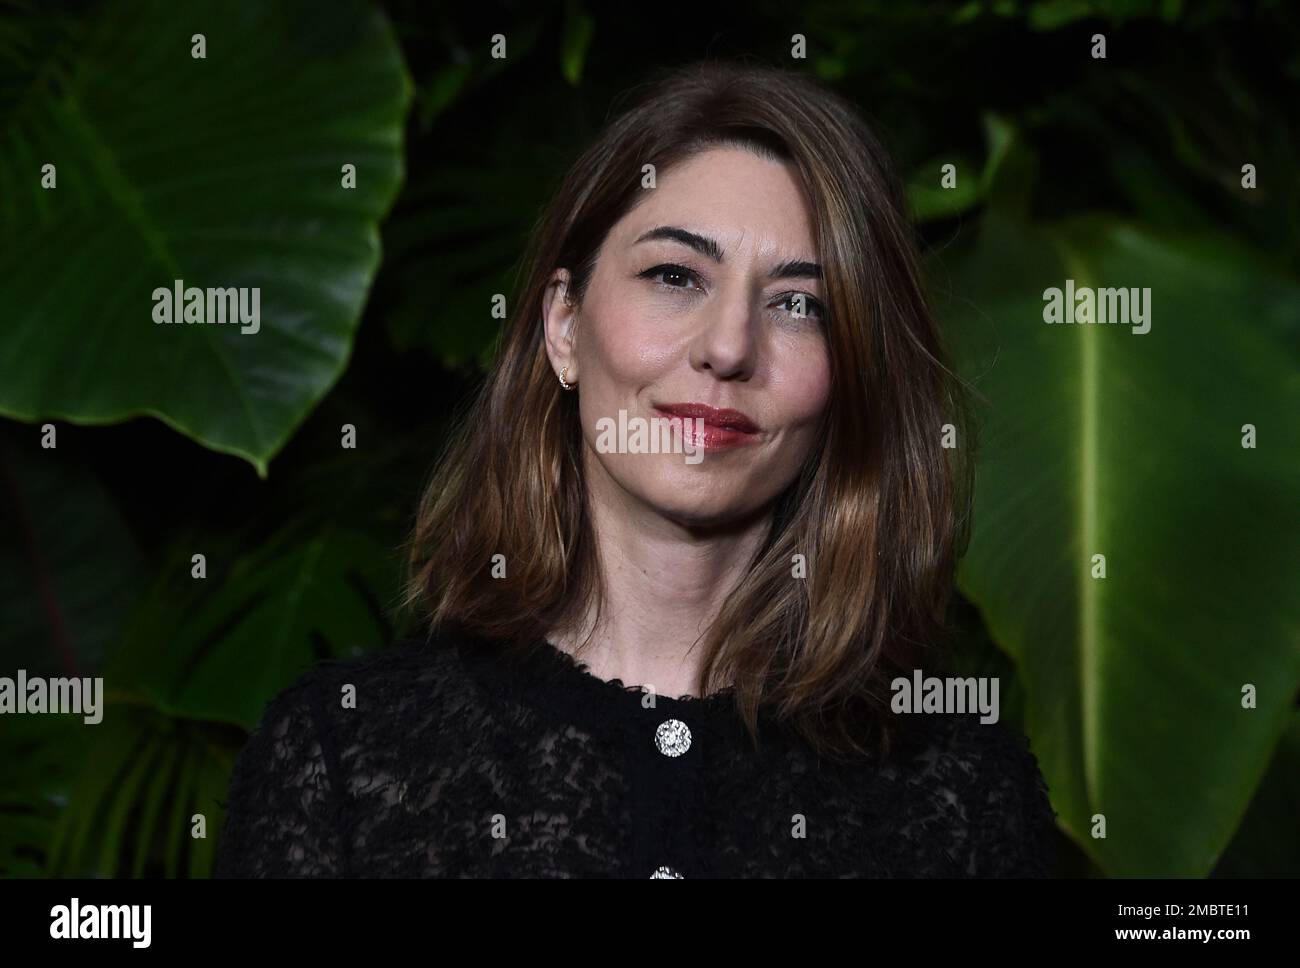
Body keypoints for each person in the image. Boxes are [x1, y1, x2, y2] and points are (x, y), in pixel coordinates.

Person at [214, 59, 1057, 878]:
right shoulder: (341, 757)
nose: (729, 348)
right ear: (564, 326)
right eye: (674, 275)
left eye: (800, 304)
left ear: (852, 373)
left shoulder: (965, 793)